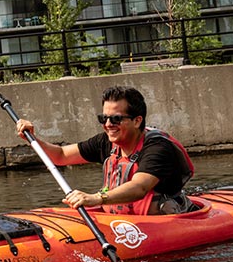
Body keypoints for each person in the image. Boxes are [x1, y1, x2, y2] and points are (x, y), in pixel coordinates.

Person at [14, 85, 195, 215]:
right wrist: (33, 139)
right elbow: (60, 156)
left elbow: (139, 187)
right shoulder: (106, 142)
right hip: (119, 220)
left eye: (116, 119)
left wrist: (96, 198)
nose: (108, 125)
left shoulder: (157, 148)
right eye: (104, 118)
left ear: (137, 121)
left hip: (160, 221)